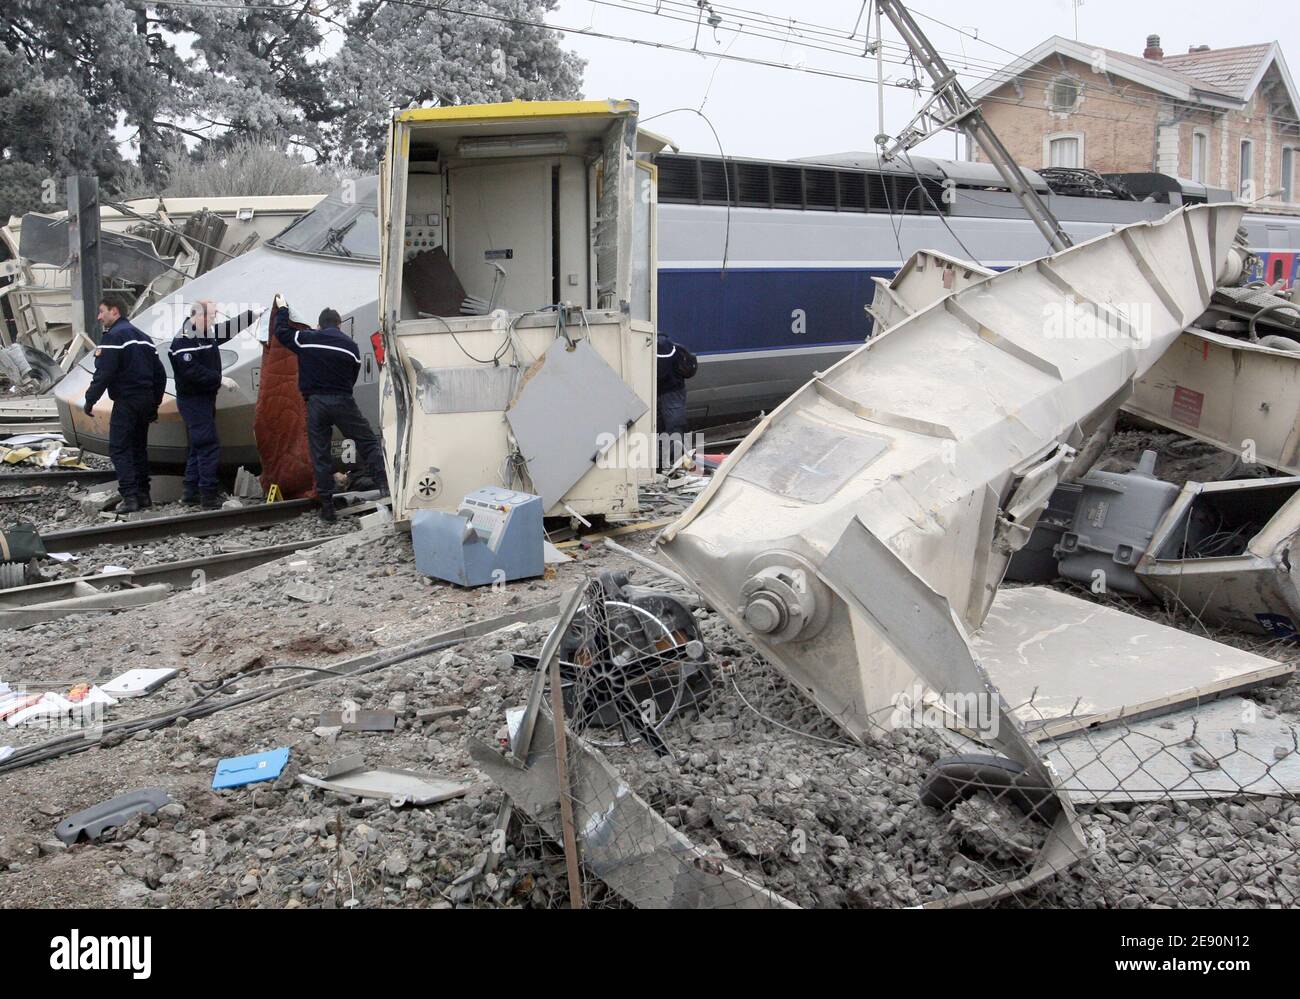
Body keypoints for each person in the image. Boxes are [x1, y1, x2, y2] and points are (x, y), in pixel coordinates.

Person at [272, 299, 388, 521]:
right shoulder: (351, 347)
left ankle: (327, 506)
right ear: (339, 324)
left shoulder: (308, 340)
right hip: (343, 400)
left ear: (319, 325)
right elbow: (353, 374)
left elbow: (282, 333)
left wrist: (283, 309)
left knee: (320, 452)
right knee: (367, 442)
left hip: (316, 403)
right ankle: (384, 486)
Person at [83, 293, 166, 515]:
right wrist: (154, 404)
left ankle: (129, 497)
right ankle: (143, 494)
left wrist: (90, 400)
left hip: (127, 401)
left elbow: (105, 373)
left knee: (119, 448)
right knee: (139, 448)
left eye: (102, 312)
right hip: (145, 401)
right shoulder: (145, 338)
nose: (99, 317)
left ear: (114, 311)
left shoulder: (114, 337)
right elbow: (160, 374)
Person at [168, 300, 225, 508]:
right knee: (208, 444)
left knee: (197, 446)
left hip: (204, 398)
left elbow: (229, 329)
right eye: (212, 316)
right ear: (199, 316)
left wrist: (252, 315)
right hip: (194, 400)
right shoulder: (184, 339)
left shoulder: (204, 333)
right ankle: (208, 496)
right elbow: (191, 371)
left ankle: (190, 492)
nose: (214, 321)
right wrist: (219, 379)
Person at [656, 332, 694, 467]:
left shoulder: (659, 346)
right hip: (673, 393)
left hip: (666, 393)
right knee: (673, 428)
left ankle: (668, 463)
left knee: (666, 428)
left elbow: (660, 371)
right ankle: (671, 462)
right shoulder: (669, 345)